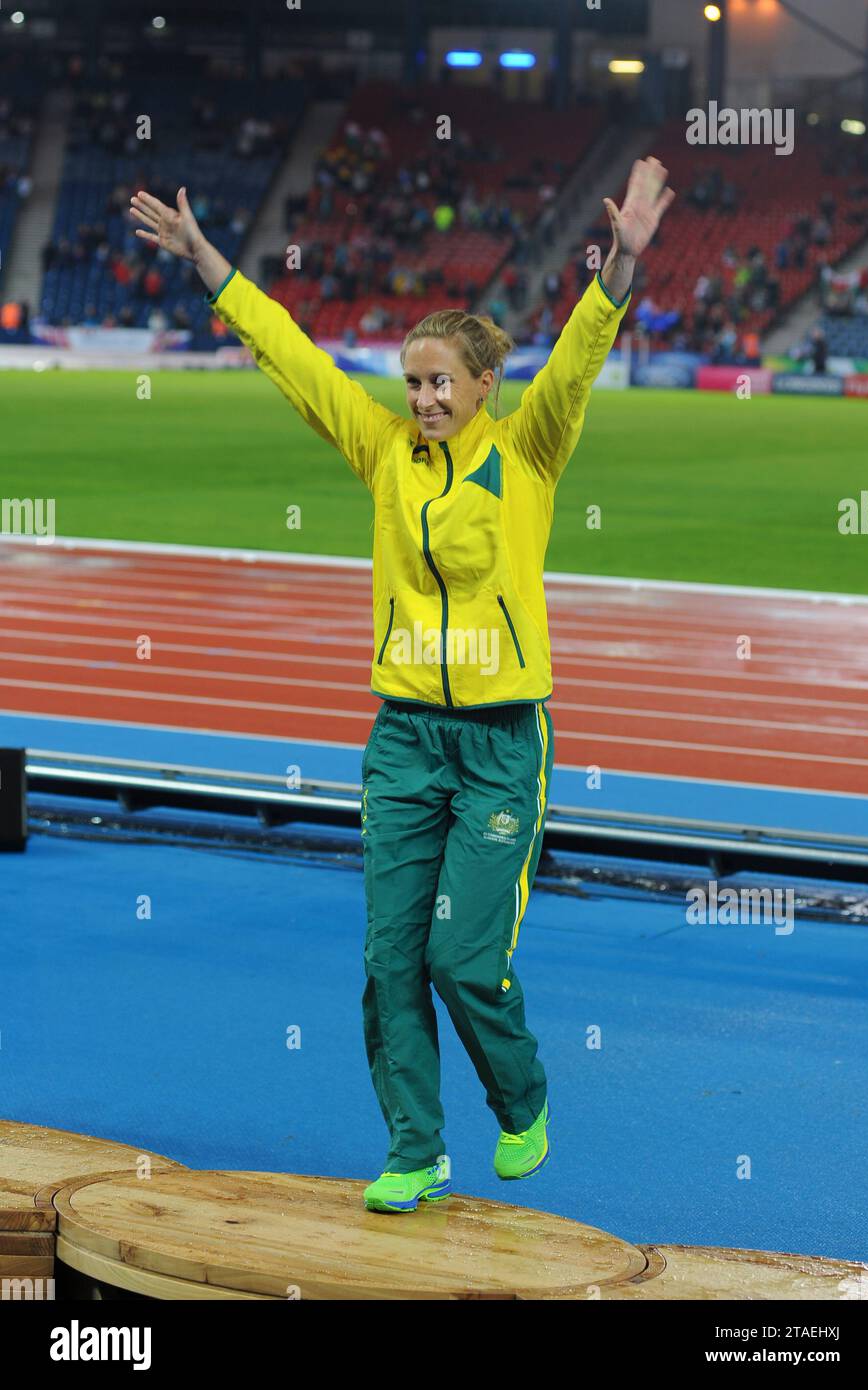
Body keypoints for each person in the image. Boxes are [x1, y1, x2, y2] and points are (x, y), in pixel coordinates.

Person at [129, 157, 674, 1214]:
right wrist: (209, 265)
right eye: (411, 381)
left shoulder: (527, 455)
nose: (421, 398)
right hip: (404, 745)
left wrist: (616, 279)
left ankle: (520, 1100)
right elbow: (292, 358)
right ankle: (414, 1148)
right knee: (388, 962)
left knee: (461, 956)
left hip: (501, 741)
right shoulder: (383, 454)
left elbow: (572, 364)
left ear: (480, 389)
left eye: (439, 382)